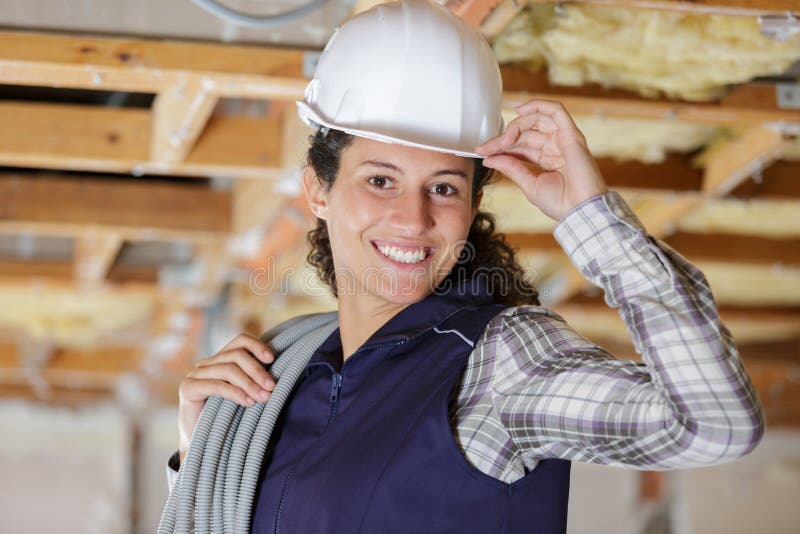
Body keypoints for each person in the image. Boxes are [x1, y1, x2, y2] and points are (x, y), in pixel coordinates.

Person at [167, 1, 765, 532]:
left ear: (473, 205)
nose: (413, 218)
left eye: (445, 188)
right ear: (318, 191)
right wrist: (204, 450)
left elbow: (715, 424)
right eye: (381, 180)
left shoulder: (499, 363)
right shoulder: (289, 373)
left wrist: (590, 215)